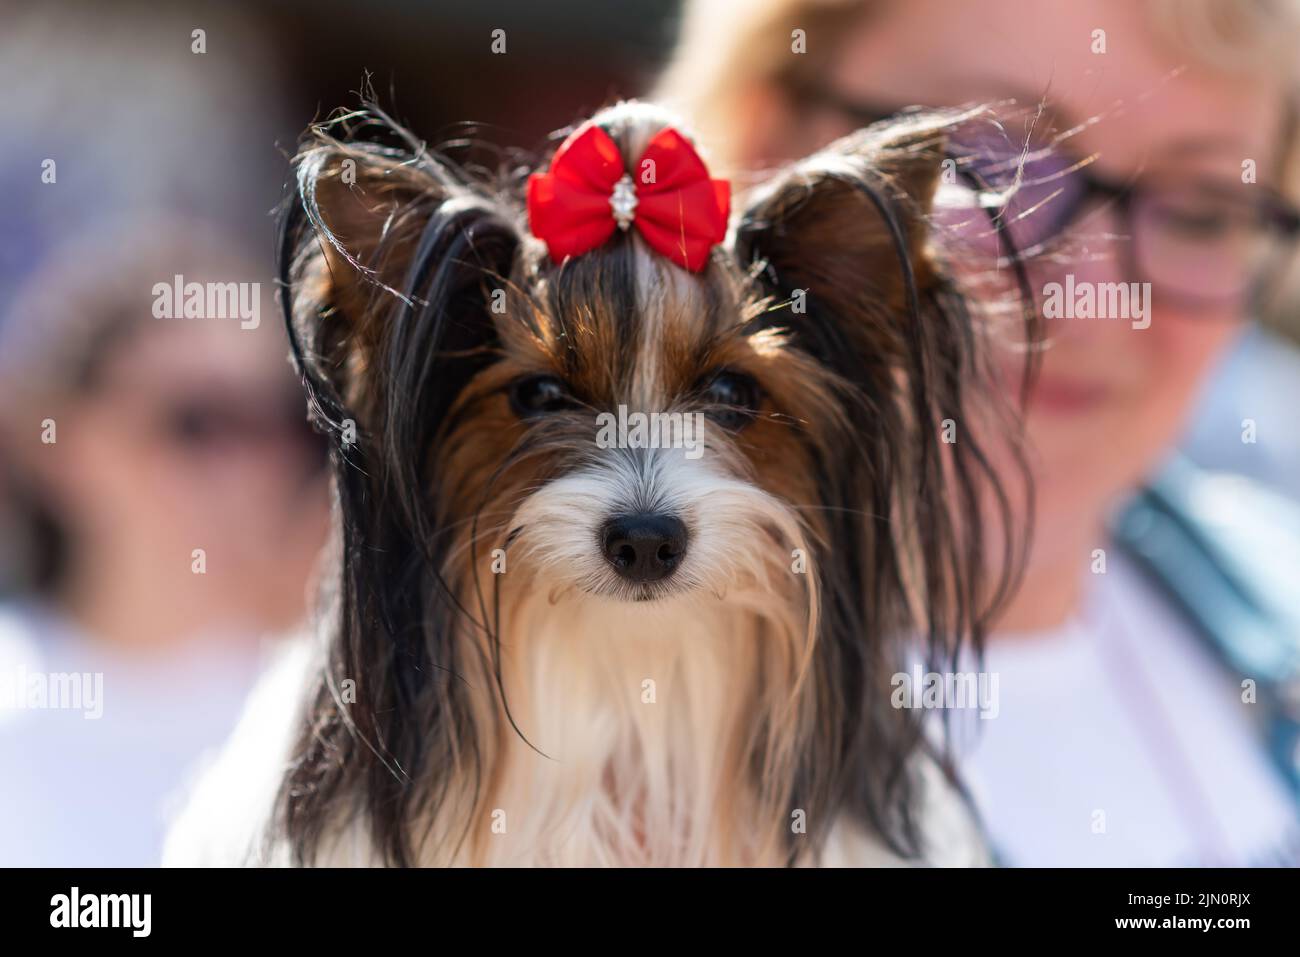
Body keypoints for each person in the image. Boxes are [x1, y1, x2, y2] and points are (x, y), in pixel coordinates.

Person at [658, 0, 1300, 865]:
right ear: (759, 138)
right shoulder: (577, 750)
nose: (1090, 302)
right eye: (994, 168)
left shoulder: (1270, 591)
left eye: (1201, 211)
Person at [0, 222, 331, 866]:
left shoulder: (346, 709)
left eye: (286, 420)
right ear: (62, 445)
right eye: (198, 422)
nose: (254, 469)